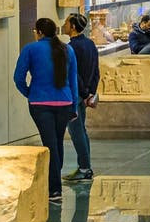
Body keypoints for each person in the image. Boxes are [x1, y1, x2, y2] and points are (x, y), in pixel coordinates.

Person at [14, 17, 78, 204]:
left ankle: (55, 189)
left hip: (40, 103)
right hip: (64, 102)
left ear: (39, 32)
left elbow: (18, 77)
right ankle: (54, 181)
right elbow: (73, 80)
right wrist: (73, 105)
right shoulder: (67, 49)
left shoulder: (30, 49)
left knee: (50, 144)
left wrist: (29, 93)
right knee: (57, 142)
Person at [62, 13, 99, 182]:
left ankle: (84, 168)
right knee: (81, 131)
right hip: (85, 94)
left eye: (66, 22)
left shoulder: (71, 47)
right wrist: (91, 92)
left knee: (76, 132)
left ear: (73, 27)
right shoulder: (90, 44)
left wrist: (83, 93)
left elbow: (74, 75)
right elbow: (96, 70)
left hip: (76, 95)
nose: (64, 25)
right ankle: (85, 166)